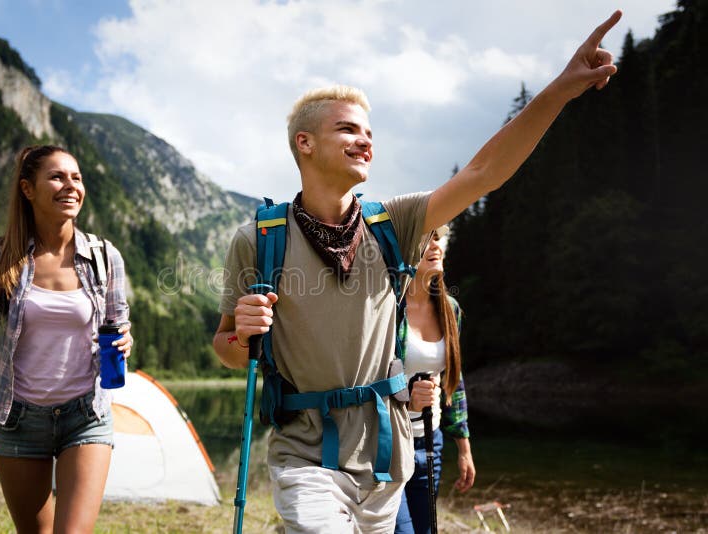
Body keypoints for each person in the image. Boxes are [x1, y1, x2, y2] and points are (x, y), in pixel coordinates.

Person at [213, 11, 621, 532]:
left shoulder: (395, 224)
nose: (364, 140)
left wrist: (559, 93)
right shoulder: (259, 240)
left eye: (368, 131)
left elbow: (484, 172)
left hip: (387, 460)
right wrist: (245, 333)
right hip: (304, 456)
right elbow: (226, 350)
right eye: (346, 129)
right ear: (305, 143)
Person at [0, 145, 132, 533]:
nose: (71, 185)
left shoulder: (105, 256)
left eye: (77, 177)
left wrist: (123, 341)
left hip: (86, 415)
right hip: (18, 418)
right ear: (27, 189)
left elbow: (117, 324)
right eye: (57, 176)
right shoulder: (0, 253)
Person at [394, 226, 475, 534]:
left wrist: (464, 449)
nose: (434, 245)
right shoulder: (390, 309)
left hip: (431, 441)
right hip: (390, 445)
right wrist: (406, 399)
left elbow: (454, 381)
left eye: (438, 238)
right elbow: (367, 378)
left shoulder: (450, 309)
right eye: (426, 239)